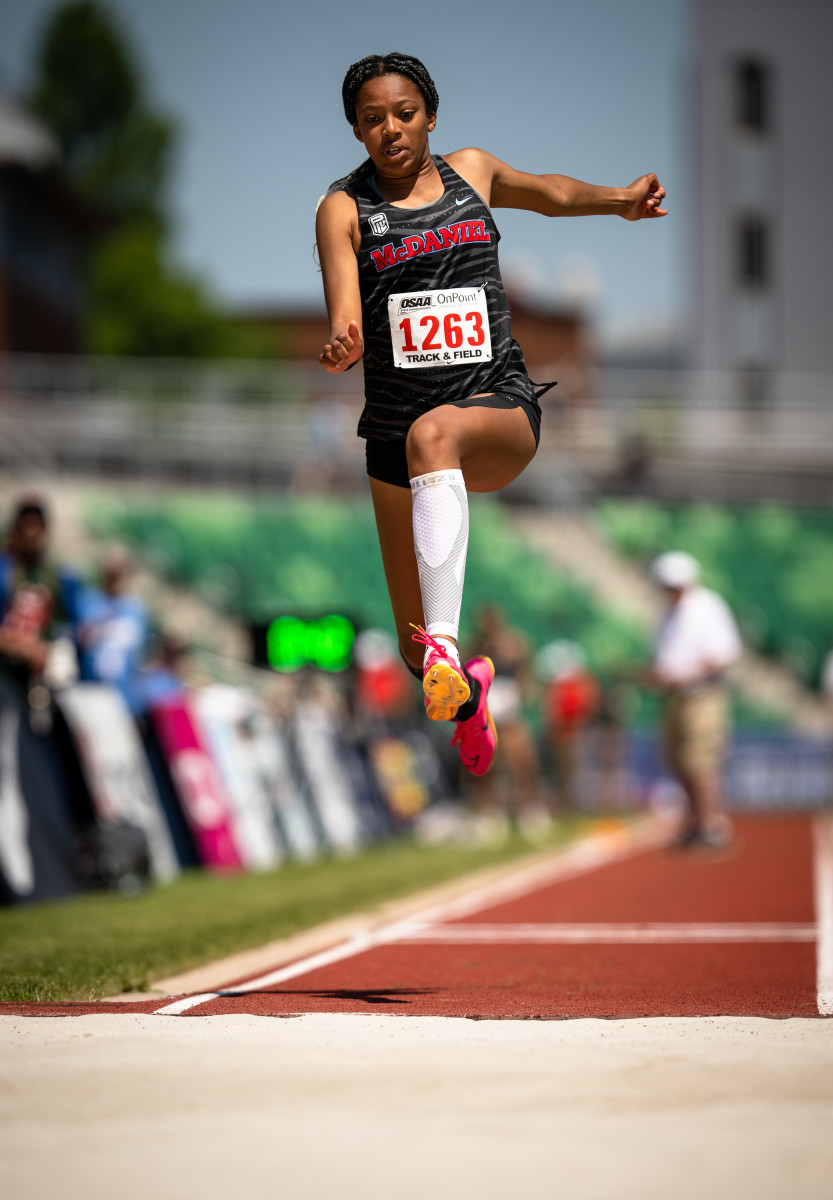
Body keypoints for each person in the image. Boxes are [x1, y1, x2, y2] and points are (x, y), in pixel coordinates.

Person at [316, 52, 667, 778]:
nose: (390, 129)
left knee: (435, 431)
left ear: (431, 116)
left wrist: (619, 199)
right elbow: (343, 306)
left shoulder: (469, 171)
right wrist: (345, 338)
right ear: (355, 130)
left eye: (404, 113)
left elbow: (549, 192)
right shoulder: (343, 210)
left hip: (493, 405)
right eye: (372, 119)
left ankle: (448, 644)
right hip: (392, 433)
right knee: (418, 659)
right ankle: (463, 688)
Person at [644, 551, 743, 850]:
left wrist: (684, 673)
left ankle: (710, 823)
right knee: (678, 761)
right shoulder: (665, 614)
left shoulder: (707, 606)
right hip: (674, 696)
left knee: (699, 759)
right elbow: (664, 657)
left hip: (702, 694)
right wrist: (660, 676)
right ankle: (695, 820)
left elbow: (724, 653)